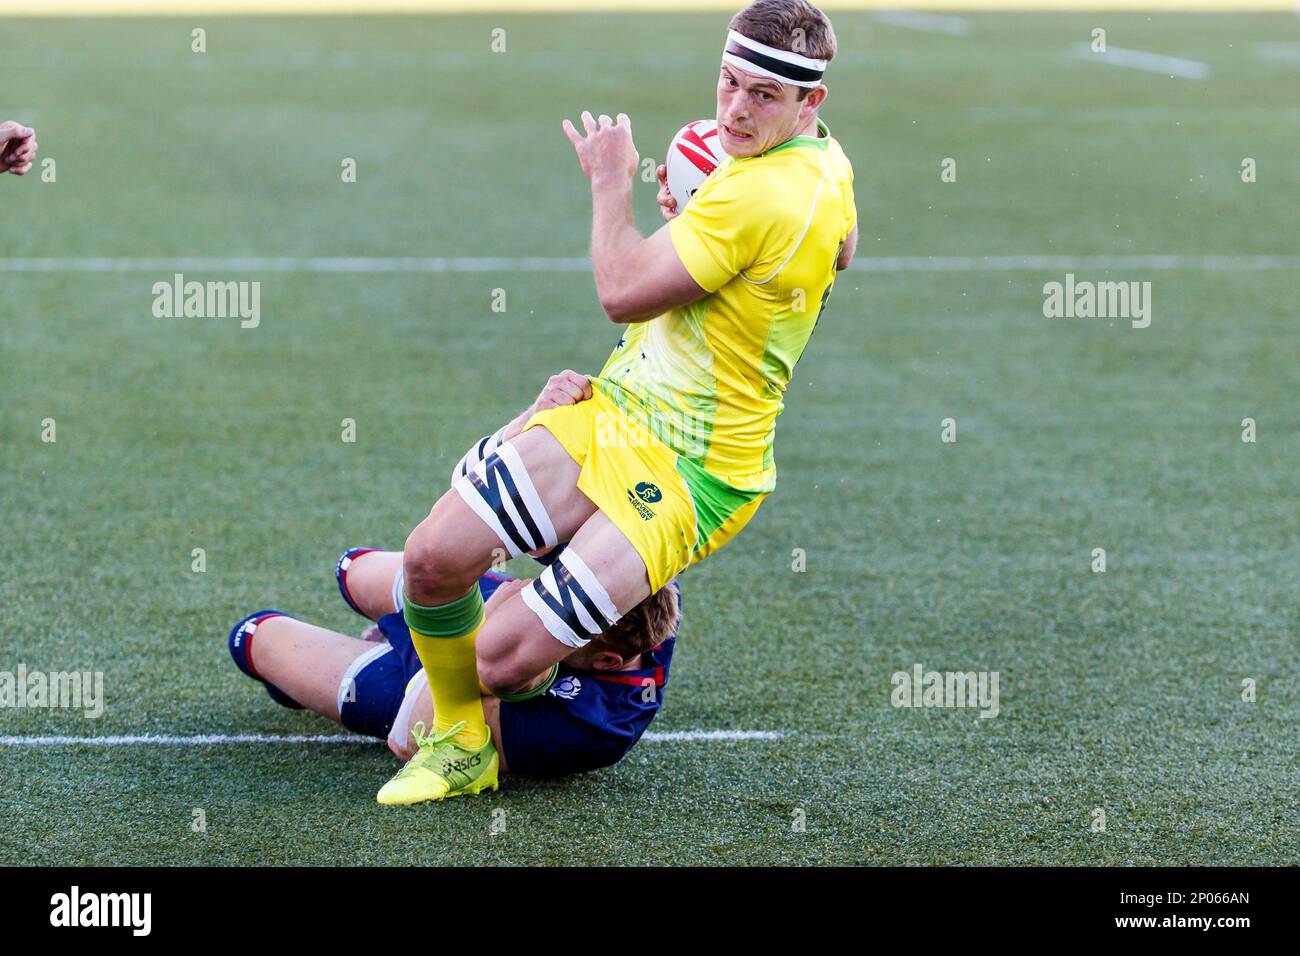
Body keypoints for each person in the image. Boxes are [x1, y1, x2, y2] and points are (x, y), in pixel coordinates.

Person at [381, 0, 857, 805]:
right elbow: (843, 248)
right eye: (729, 83)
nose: (736, 109)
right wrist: (719, 245)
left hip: (693, 470)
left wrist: (612, 182)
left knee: (500, 659)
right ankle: (463, 740)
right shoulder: (825, 164)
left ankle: (486, 694)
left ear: (811, 102)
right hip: (617, 411)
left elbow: (621, 291)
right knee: (431, 560)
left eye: (764, 97)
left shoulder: (765, 197)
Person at [228, 547, 680, 779]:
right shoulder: (638, 576)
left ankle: (362, 656)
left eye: (561, 628)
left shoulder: (591, 727)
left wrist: (495, 621)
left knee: (251, 636)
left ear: (604, 660)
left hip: (433, 685)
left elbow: (415, 732)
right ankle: (382, 630)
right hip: (500, 609)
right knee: (351, 568)